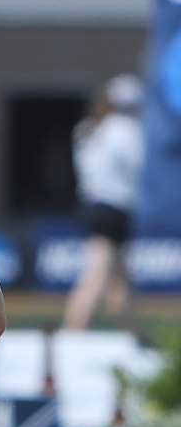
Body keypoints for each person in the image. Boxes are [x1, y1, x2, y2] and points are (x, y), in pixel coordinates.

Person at [62, 73, 145, 335]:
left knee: (118, 279)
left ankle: (136, 336)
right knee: (96, 277)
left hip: (92, 204)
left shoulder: (88, 128)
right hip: (114, 208)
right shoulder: (127, 130)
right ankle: (72, 335)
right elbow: (139, 168)